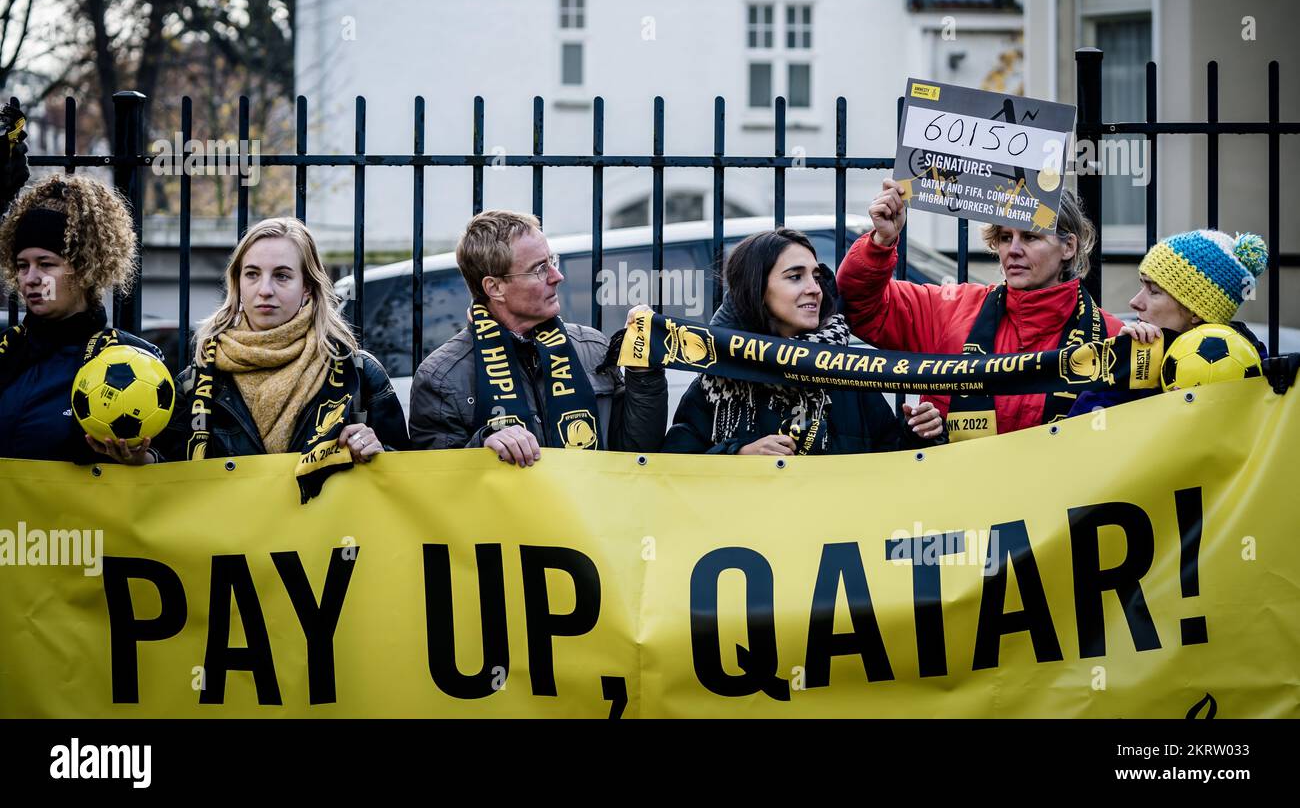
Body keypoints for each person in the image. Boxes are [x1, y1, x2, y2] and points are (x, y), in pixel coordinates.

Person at [837, 179, 1123, 440]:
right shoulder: (953, 309)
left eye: (1030, 237)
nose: (1013, 250)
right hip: (954, 491)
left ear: (1068, 247)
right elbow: (861, 307)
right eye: (1004, 237)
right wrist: (881, 242)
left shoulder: (1114, 336)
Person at [158, 217, 409, 498]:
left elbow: (406, 481)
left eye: (282, 276)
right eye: (252, 274)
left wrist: (377, 451)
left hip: (325, 541)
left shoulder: (360, 374)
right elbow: (166, 487)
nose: (265, 289)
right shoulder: (196, 382)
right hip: (226, 542)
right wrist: (139, 460)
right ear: (238, 283)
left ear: (307, 287)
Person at [407, 209, 667, 465]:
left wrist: (643, 371)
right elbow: (436, 489)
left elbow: (637, 456)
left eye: (552, 261)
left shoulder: (592, 347)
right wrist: (482, 448)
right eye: (540, 269)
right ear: (494, 287)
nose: (557, 276)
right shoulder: (441, 377)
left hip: (593, 507)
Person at [663, 228, 944, 455]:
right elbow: (674, 472)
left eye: (817, 277)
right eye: (795, 277)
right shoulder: (717, 378)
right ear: (757, 290)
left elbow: (888, 464)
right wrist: (739, 455)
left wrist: (918, 433)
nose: (814, 289)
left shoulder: (845, 371)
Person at [0, 174, 166, 464]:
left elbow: (176, 471)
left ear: (86, 268)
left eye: (46, 264)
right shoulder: (7, 349)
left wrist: (142, 461)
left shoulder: (132, 360)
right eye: (22, 266)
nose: (31, 279)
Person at [1069, 229, 1269, 415]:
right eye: (1142, 286)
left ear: (1195, 312)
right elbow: (1079, 431)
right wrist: (1120, 365)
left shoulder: (1245, 368)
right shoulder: (1142, 353)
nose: (1135, 302)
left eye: (1154, 291)